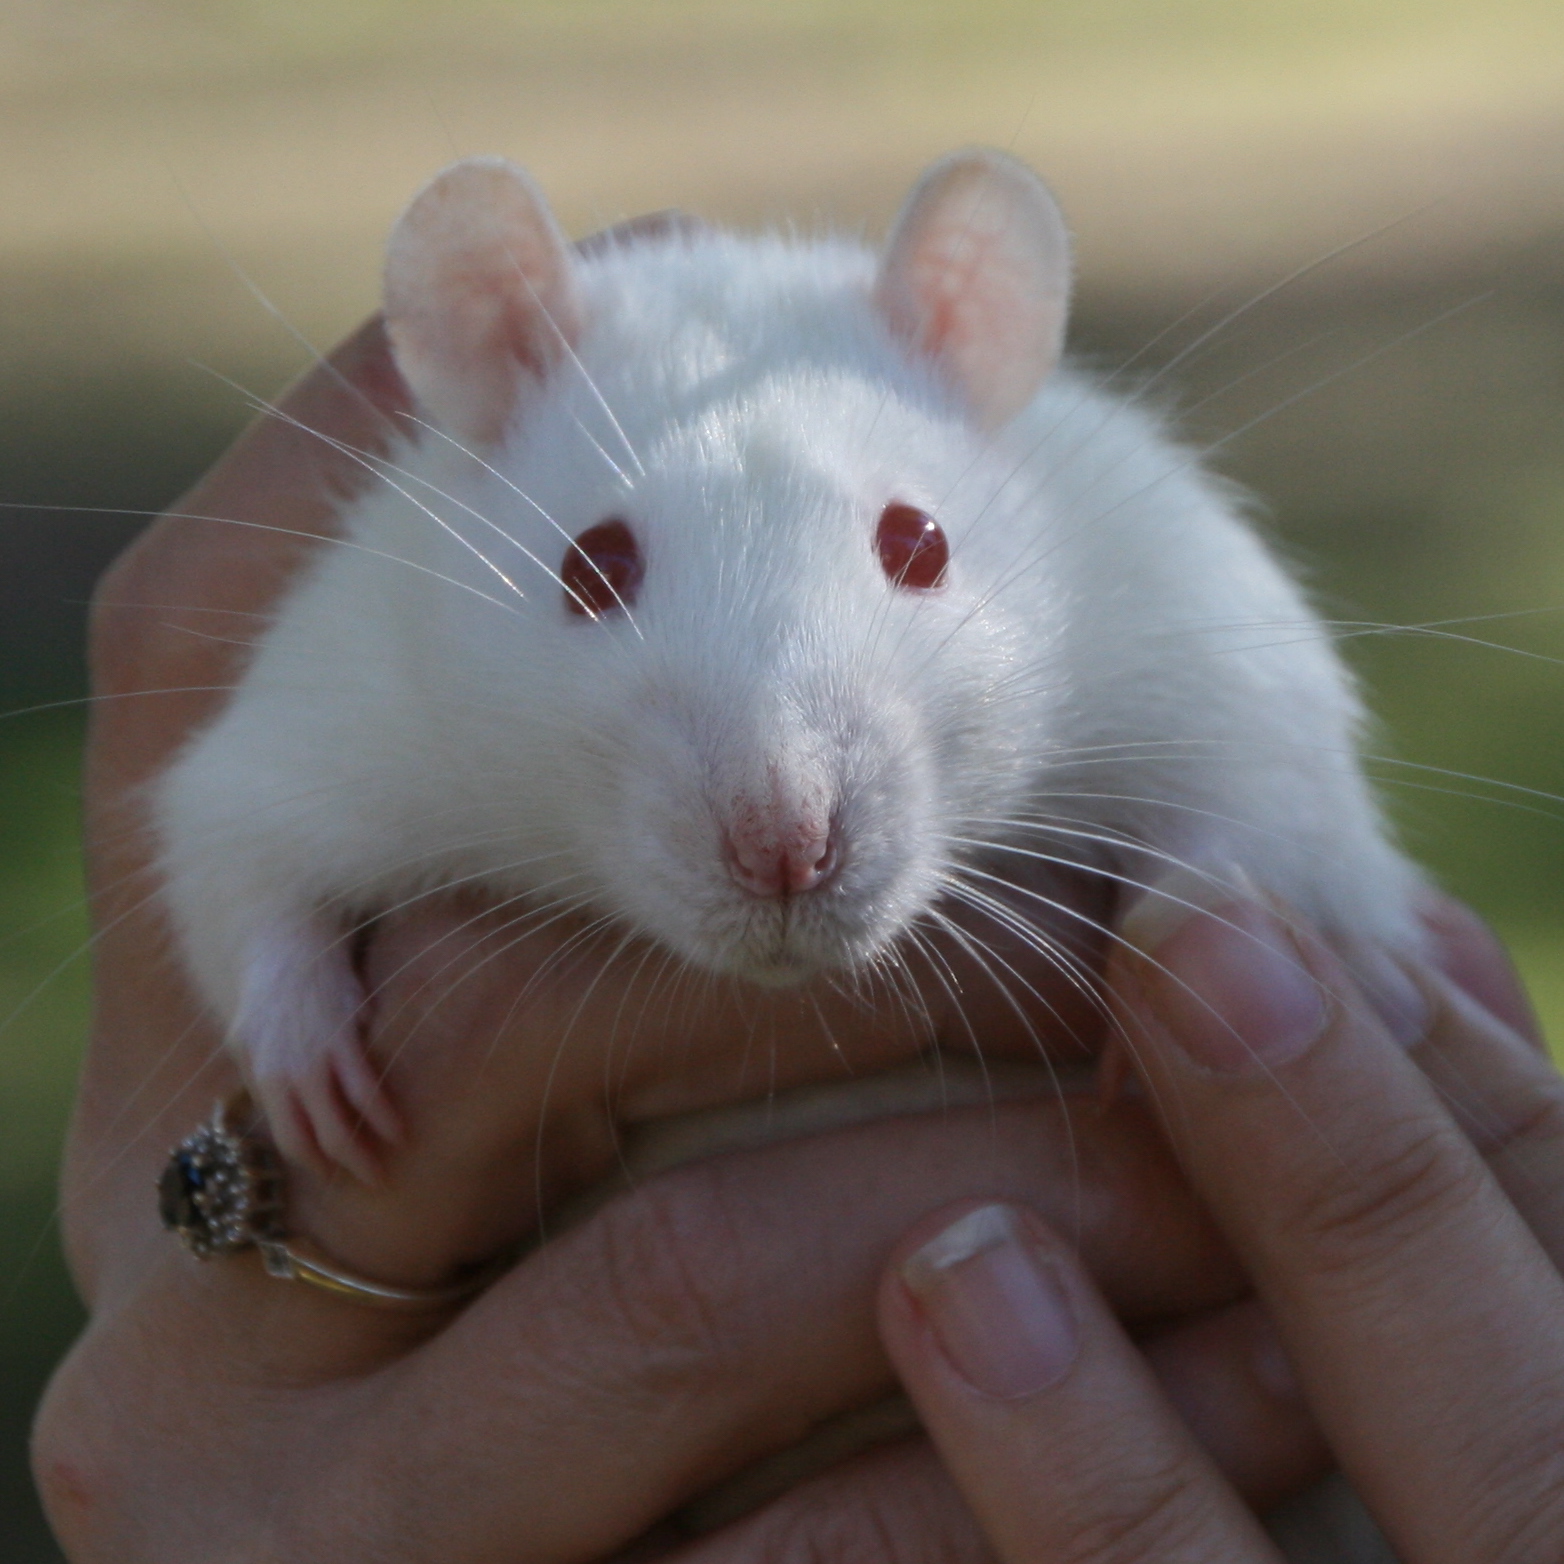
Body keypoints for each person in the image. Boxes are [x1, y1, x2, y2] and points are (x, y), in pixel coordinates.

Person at [31, 308, 1564, 1563]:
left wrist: (1216, 868)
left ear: (983, 329)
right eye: (603, 573)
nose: (784, 826)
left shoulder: (1099, 507)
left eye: (910, 550)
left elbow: (1275, 737)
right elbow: (241, 824)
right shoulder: (419, 563)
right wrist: (283, 988)